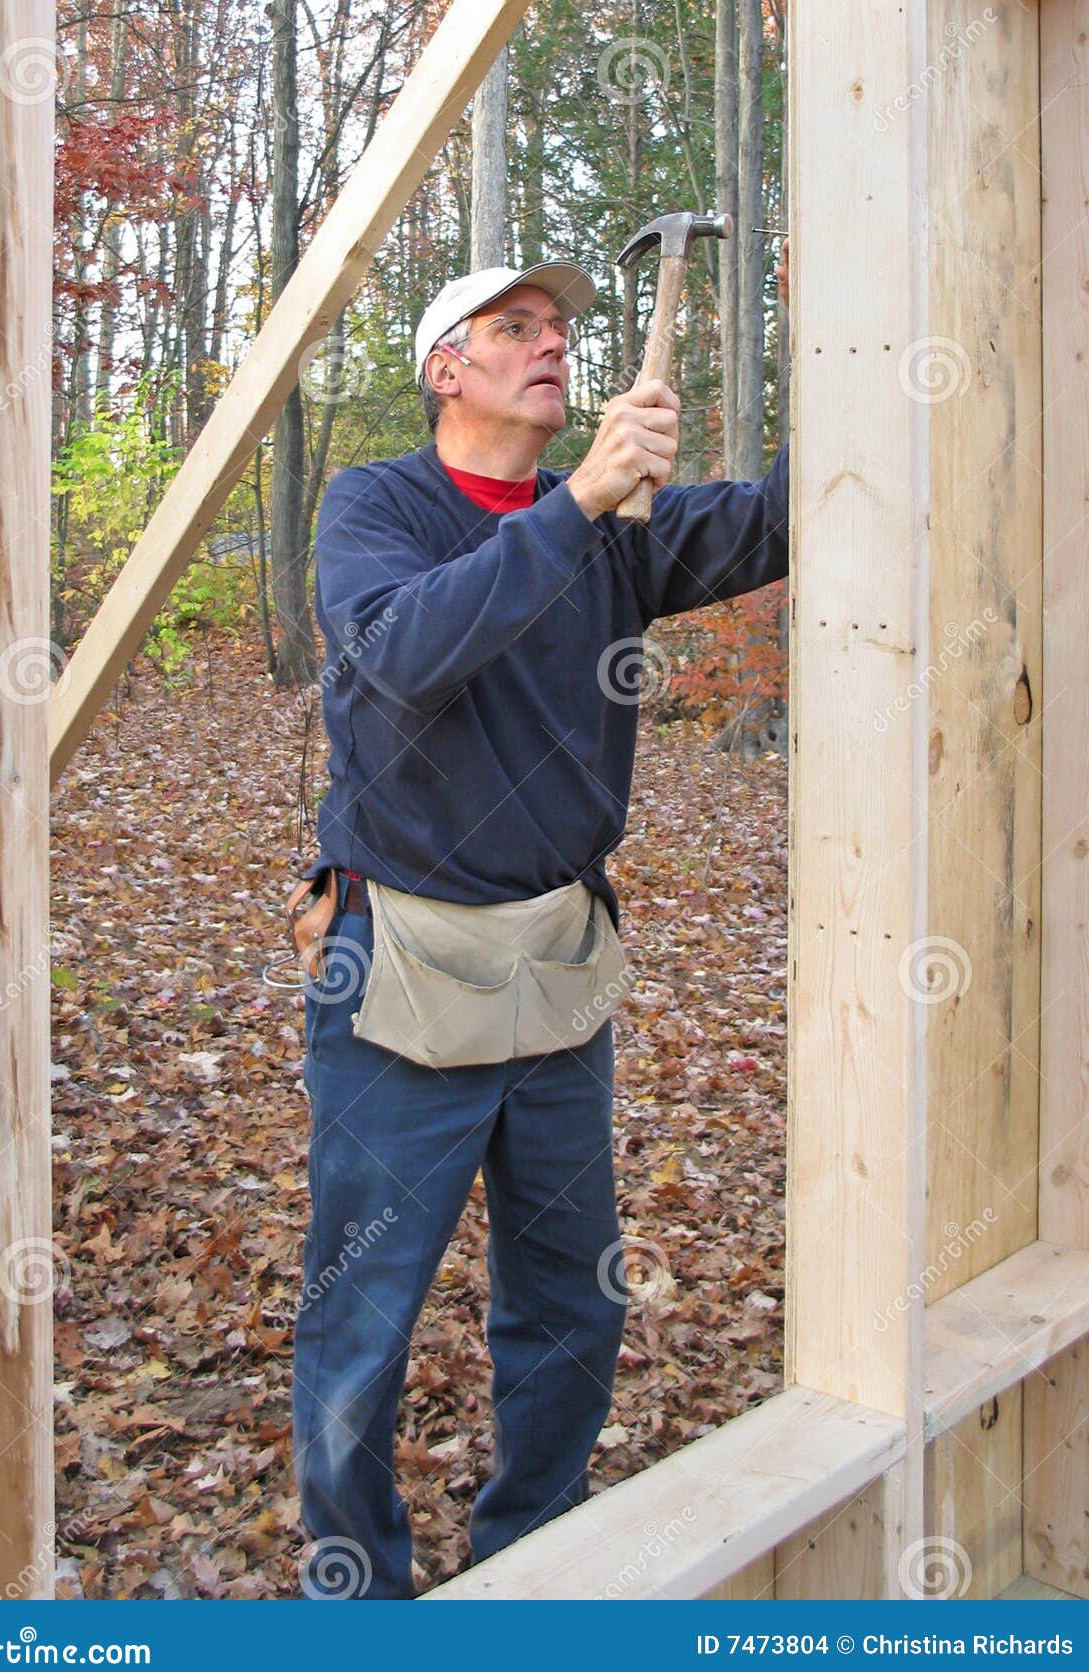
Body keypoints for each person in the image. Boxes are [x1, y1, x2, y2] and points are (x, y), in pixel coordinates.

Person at [288, 241, 791, 1599]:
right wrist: (579, 500)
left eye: (559, 324)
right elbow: (402, 652)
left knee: (572, 1303)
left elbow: (791, 513)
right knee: (362, 1320)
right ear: (447, 368)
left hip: (558, 970)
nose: (550, 340)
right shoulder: (376, 507)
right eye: (514, 325)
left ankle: (531, 1564)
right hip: (399, 972)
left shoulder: (616, 535)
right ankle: (360, 1607)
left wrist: (849, 333)